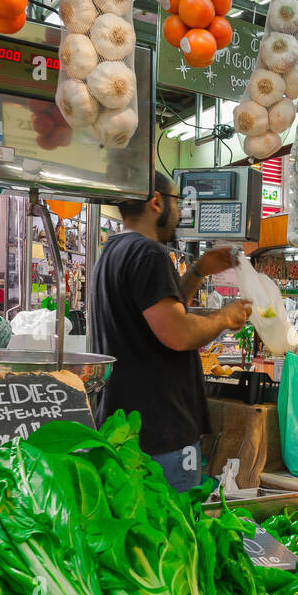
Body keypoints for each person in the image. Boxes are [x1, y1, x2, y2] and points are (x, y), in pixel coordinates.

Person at [91, 172, 250, 491]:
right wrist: (225, 317)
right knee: (175, 533)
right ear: (156, 201)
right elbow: (176, 332)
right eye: (177, 202)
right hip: (159, 434)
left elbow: (159, 312)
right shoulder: (149, 253)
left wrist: (199, 270)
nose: (179, 213)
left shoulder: (114, 251)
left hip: (128, 431)